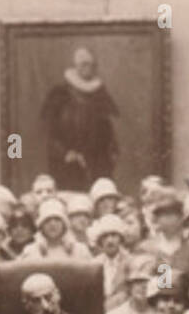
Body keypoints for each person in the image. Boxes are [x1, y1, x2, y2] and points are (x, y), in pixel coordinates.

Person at [40, 47, 118, 191]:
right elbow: (48, 131)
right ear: (75, 66)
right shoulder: (59, 94)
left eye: (91, 65)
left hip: (96, 164)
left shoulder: (101, 95)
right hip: (65, 164)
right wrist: (65, 153)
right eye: (84, 64)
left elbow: (109, 133)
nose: (88, 68)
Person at [20, 198, 91, 260]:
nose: (52, 224)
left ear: (64, 224)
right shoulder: (30, 251)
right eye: (47, 220)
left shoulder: (80, 250)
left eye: (57, 219)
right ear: (41, 225)